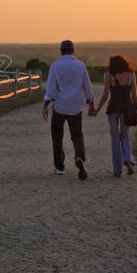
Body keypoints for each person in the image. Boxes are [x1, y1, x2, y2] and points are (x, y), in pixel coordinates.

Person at [42, 40, 95, 180]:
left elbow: (51, 88)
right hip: (76, 107)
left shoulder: (55, 66)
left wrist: (45, 105)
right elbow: (87, 86)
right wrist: (91, 102)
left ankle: (59, 167)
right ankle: (80, 158)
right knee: (77, 136)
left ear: (60, 51)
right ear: (73, 50)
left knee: (57, 136)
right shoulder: (81, 65)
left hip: (59, 106)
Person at [92, 54, 137, 177]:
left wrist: (97, 109)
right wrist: (136, 108)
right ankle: (128, 162)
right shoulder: (131, 75)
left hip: (113, 109)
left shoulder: (108, 76)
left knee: (114, 139)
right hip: (127, 109)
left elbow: (105, 95)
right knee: (125, 136)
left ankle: (117, 171)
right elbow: (134, 95)